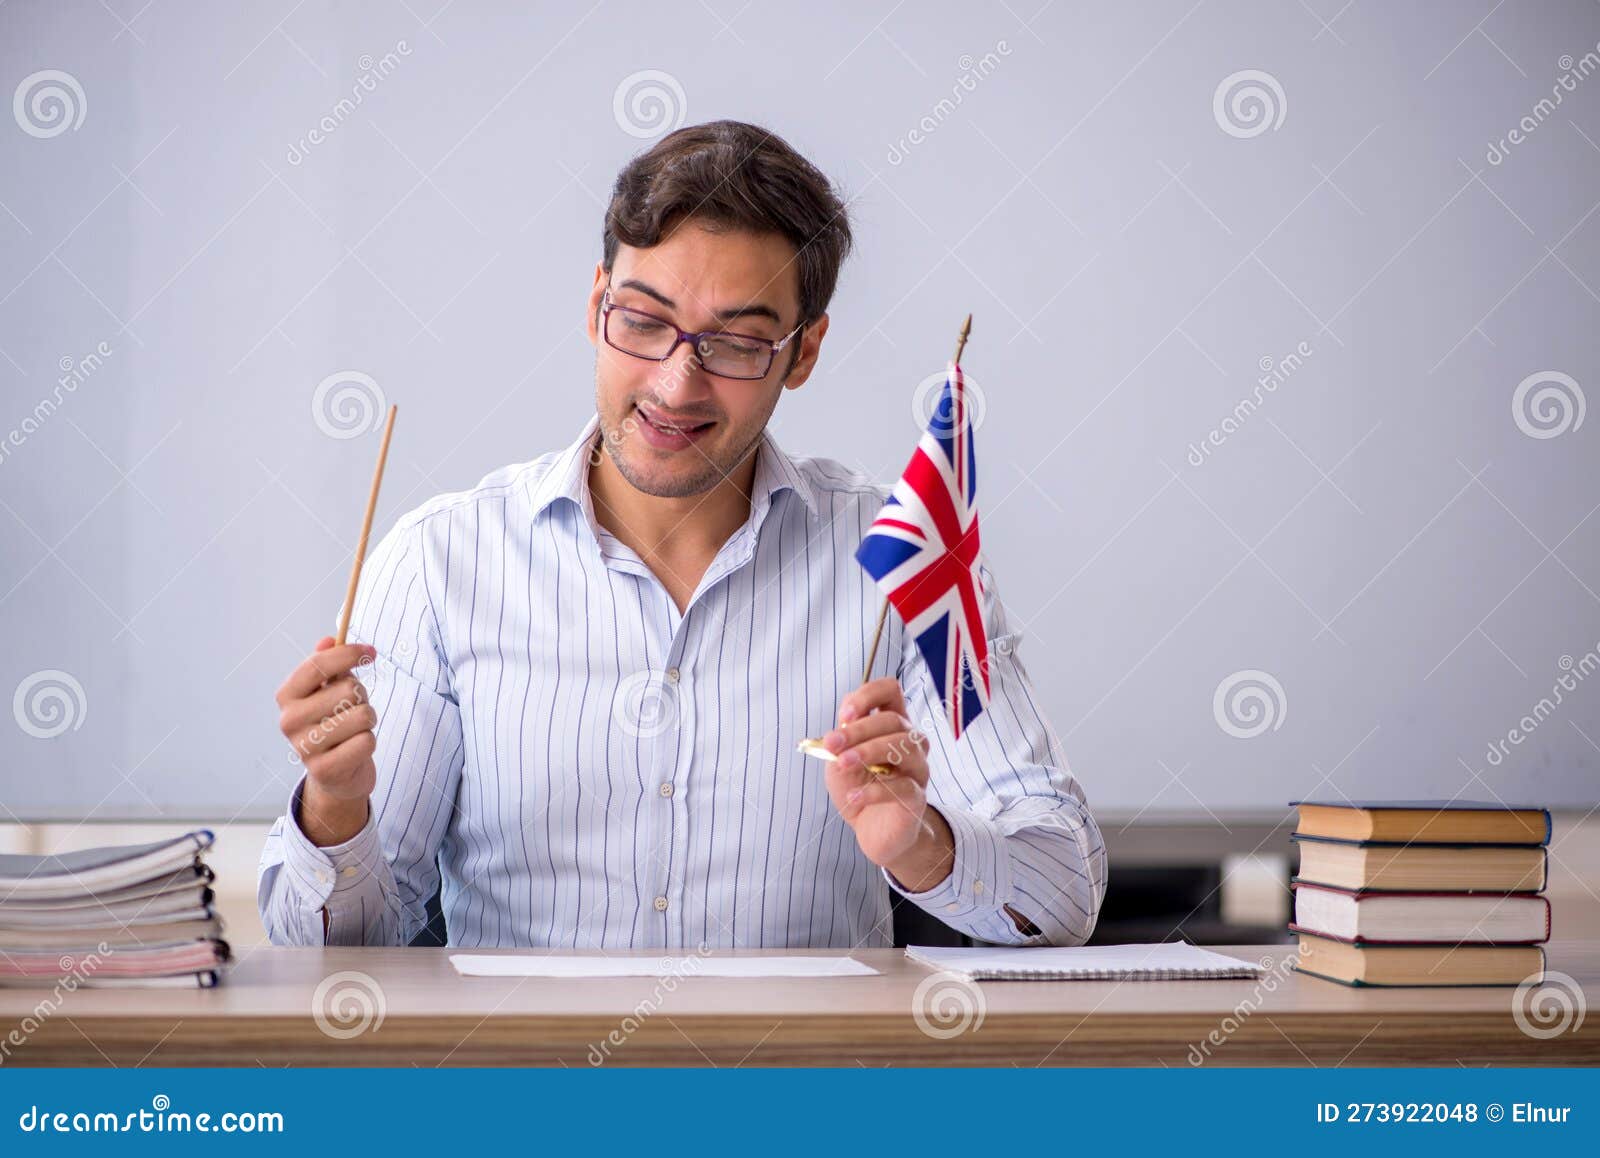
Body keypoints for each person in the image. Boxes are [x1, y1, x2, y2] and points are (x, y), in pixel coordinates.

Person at [257, 120, 1105, 950]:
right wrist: (335, 807)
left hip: (801, 1083)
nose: (675, 383)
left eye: (738, 341)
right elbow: (332, 949)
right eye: (644, 320)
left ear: (803, 353)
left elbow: (1065, 893)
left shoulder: (900, 559)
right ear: (598, 306)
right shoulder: (440, 564)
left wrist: (921, 848)